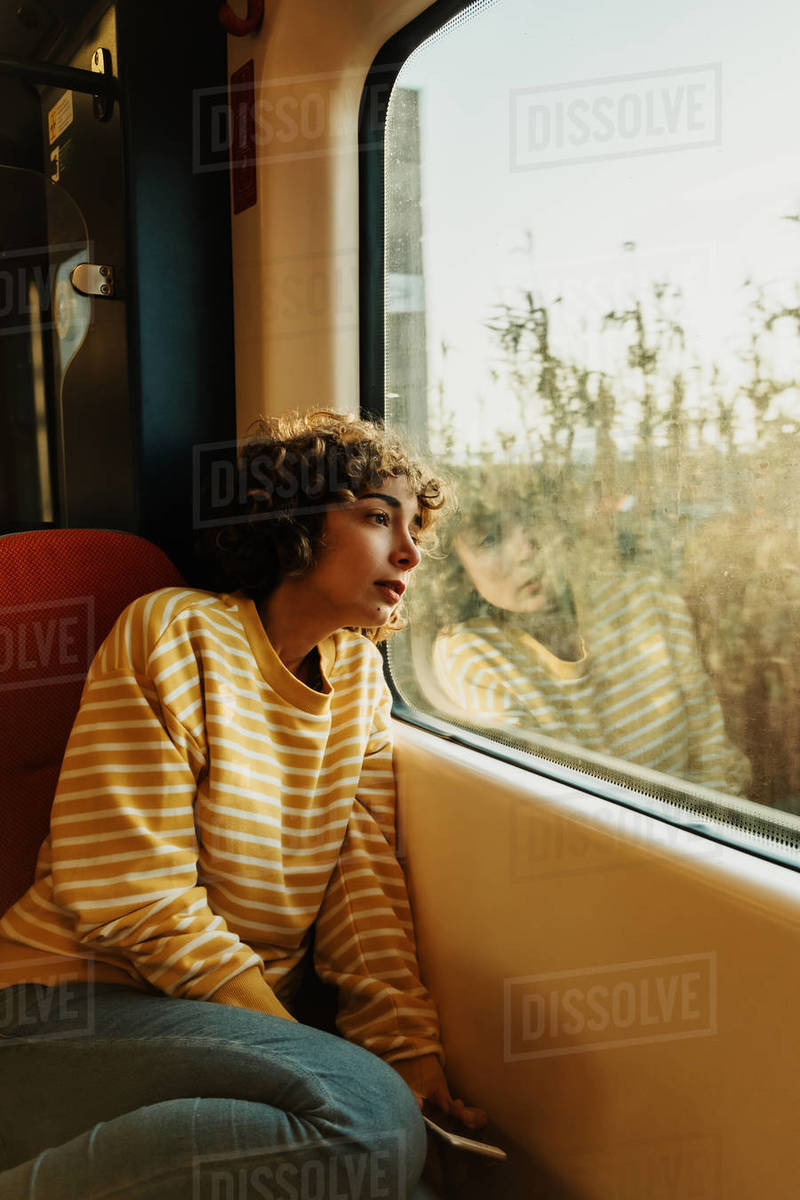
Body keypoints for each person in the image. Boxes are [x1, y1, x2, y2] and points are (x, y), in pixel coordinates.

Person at [0, 411, 485, 1200]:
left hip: (213, 1025)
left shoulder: (360, 680)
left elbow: (359, 886)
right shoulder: (174, 631)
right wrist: (305, 1055)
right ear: (293, 520)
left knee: (405, 1171)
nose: (410, 549)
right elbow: (132, 898)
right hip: (58, 1011)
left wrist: (405, 1048)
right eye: (375, 516)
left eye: (415, 527)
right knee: (365, 1122)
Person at [431, 485, 750, 795]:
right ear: (458, 570)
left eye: (532, 518)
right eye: (490, 539)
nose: (527, 549)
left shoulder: (647, 598)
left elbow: (712, 752)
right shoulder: (470, 651)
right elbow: (536, 797)